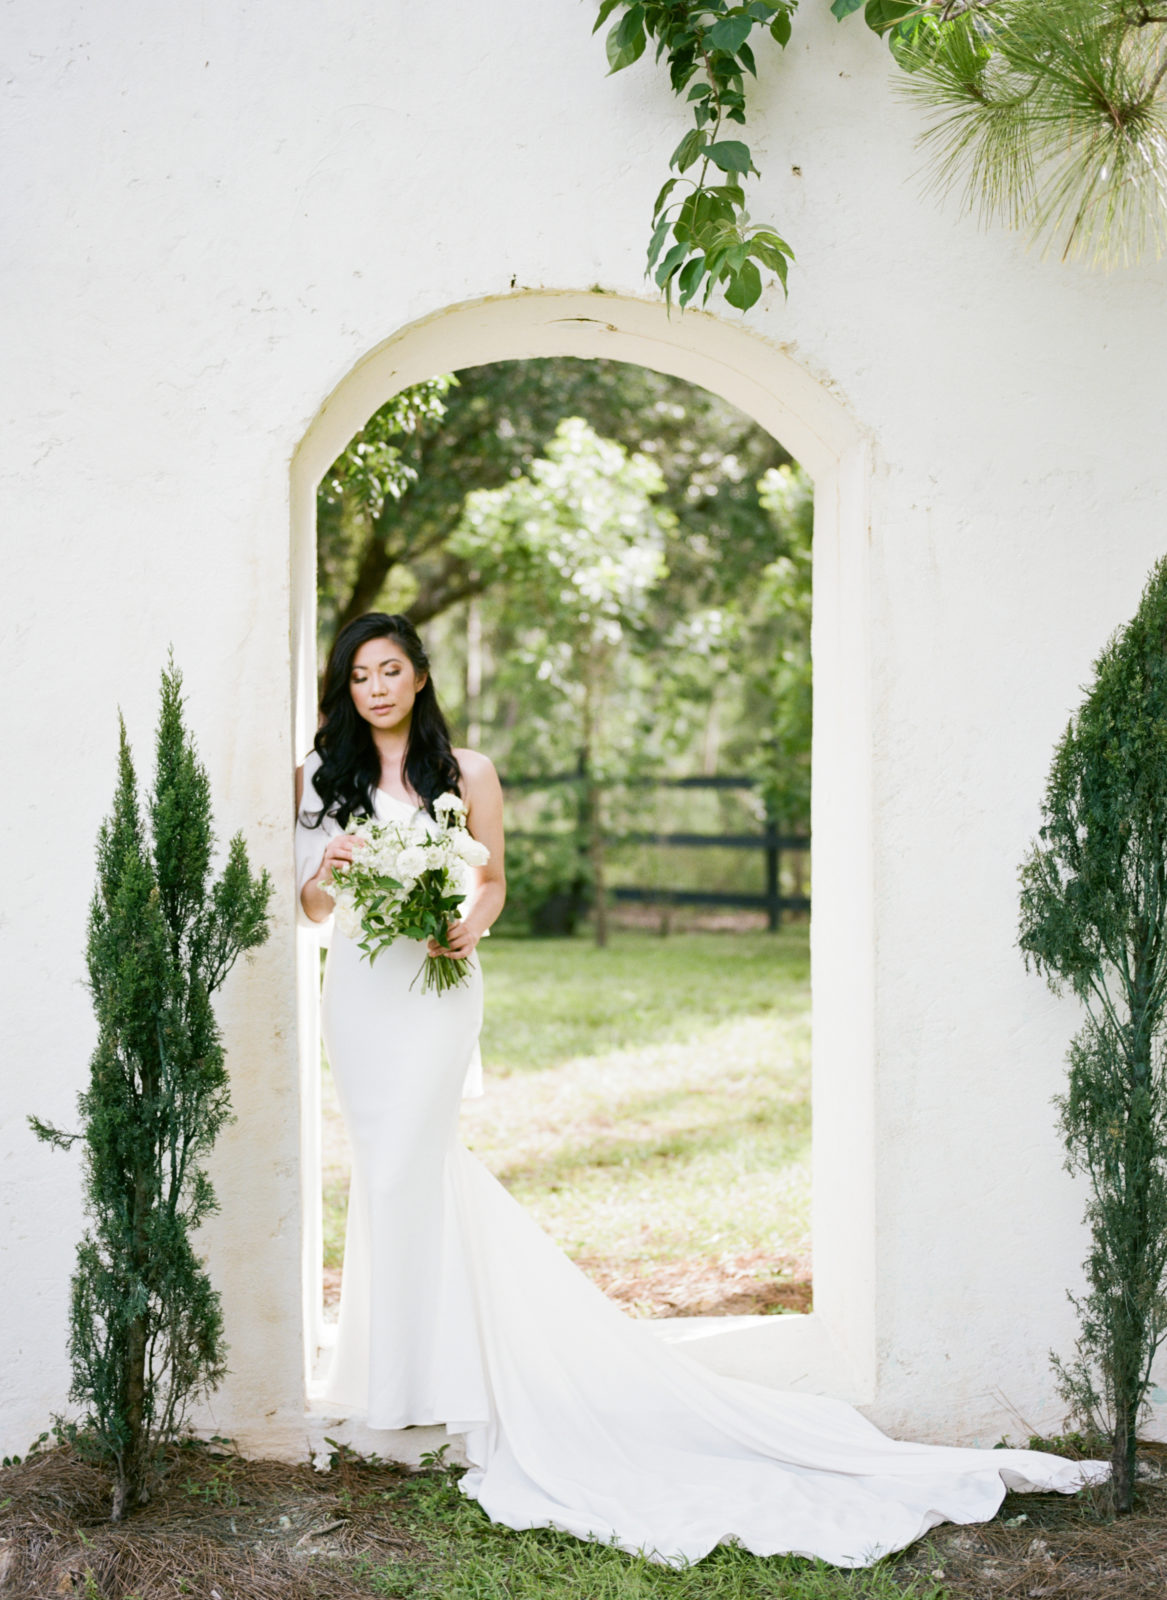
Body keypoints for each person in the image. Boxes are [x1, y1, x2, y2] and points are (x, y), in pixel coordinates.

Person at [295, 610, 1109, 1570]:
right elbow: (308, 906)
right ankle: (394, 1370)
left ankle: (431, 1375)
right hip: (363, 991)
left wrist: (473, 924)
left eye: (390, 670)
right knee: (386, 1169)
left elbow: (495, 880)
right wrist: (329, 869)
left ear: (420, 677)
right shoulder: (323, 778)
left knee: (413, 1161)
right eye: (360, 675)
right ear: (346, 687)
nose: (376, 688)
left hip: (438, 990)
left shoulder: (466, 772)